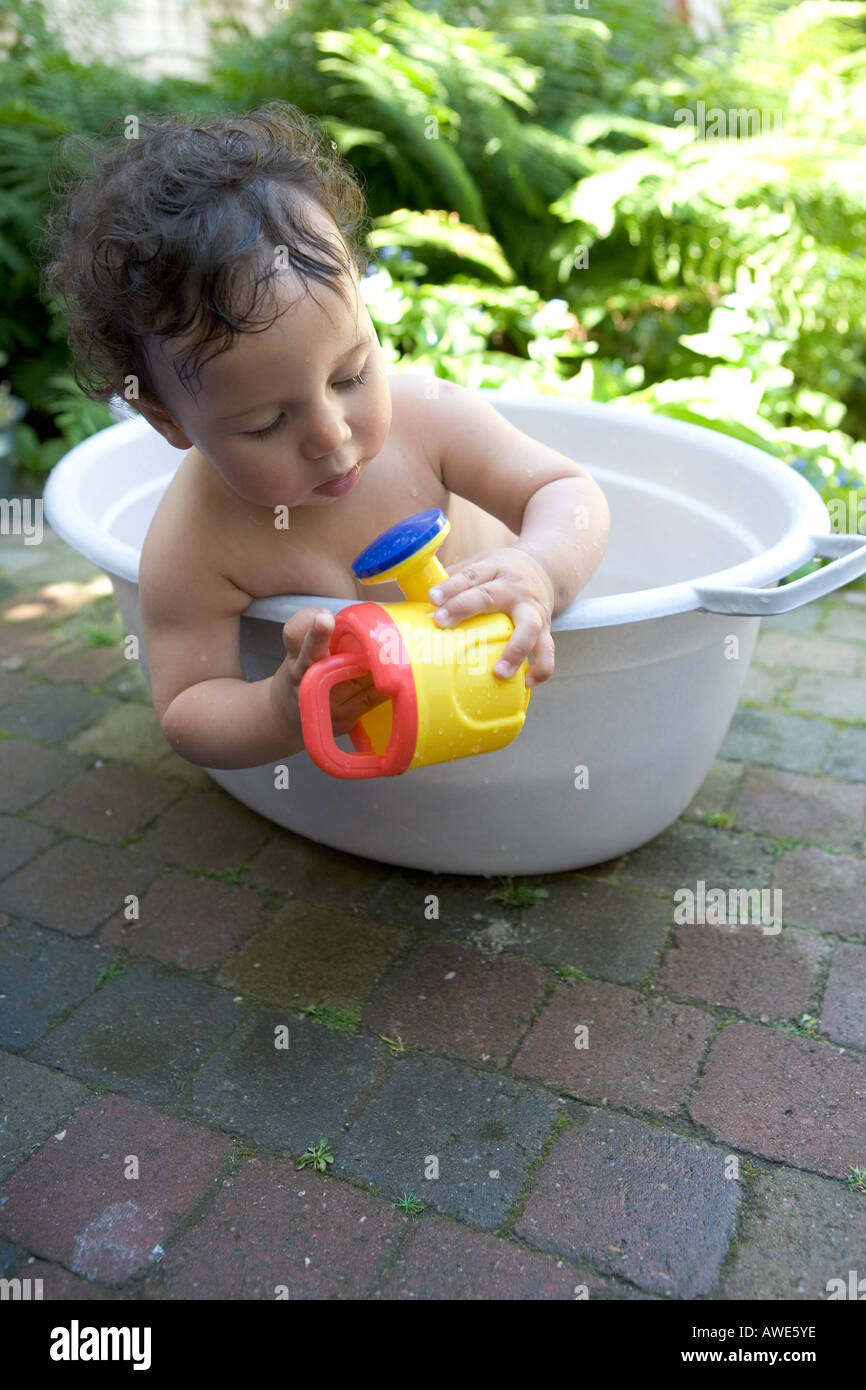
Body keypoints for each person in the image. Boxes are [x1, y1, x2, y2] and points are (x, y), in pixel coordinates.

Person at [40, 101, 610, 770]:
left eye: (352, 374)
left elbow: (567, 491)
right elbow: (189, 706)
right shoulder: (196, 539)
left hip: (508, 685)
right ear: (169, 423)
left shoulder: (430, 419)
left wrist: (539, 570)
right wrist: (281, 708)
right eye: (266, 423)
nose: (331, 434)